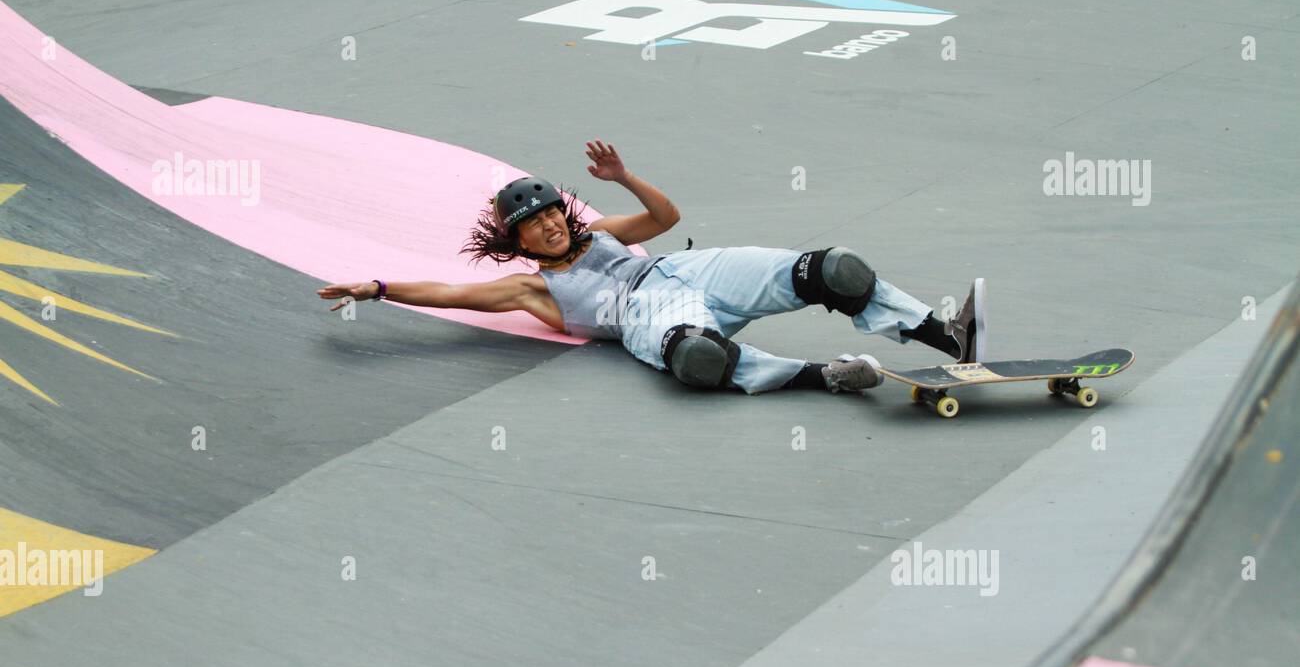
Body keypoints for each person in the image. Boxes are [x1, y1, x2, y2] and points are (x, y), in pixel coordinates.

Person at [317, 140, 986, 395]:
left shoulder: (602, 230)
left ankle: (942, 335)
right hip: (645, 314)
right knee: (697, 358)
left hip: (687, 272)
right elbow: (450, 292)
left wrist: (624, 176)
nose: (550, 224)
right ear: (519, 240)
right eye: (535, 225)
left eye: (553, 212)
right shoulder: (532, 287)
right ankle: (826, 376)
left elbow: (664, 221)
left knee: (829, 270)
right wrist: (377, 288)